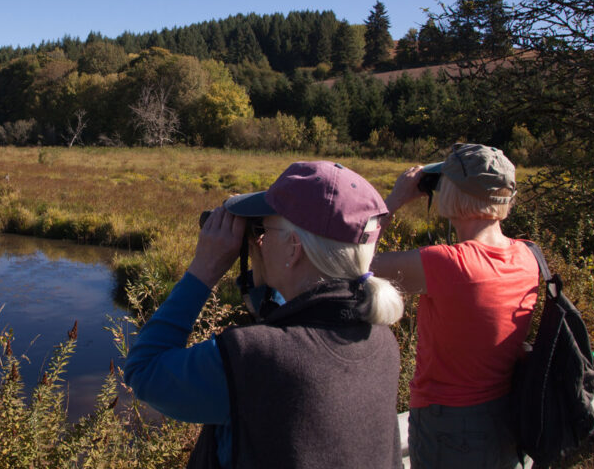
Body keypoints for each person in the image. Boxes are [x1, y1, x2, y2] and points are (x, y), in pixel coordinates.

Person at [124, 161, 405, 469]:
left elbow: (143, 371)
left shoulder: (253, 357)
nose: (257, 240)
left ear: (293, 247)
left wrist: (203, 270)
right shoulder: (380, 340)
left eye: (262, 229)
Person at [371, 143, 539, 468]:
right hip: (509, 416)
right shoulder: (528, 255)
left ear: (451, 193)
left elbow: (354, 263)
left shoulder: (449, 264)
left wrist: (395, 200)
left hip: (449, 423)